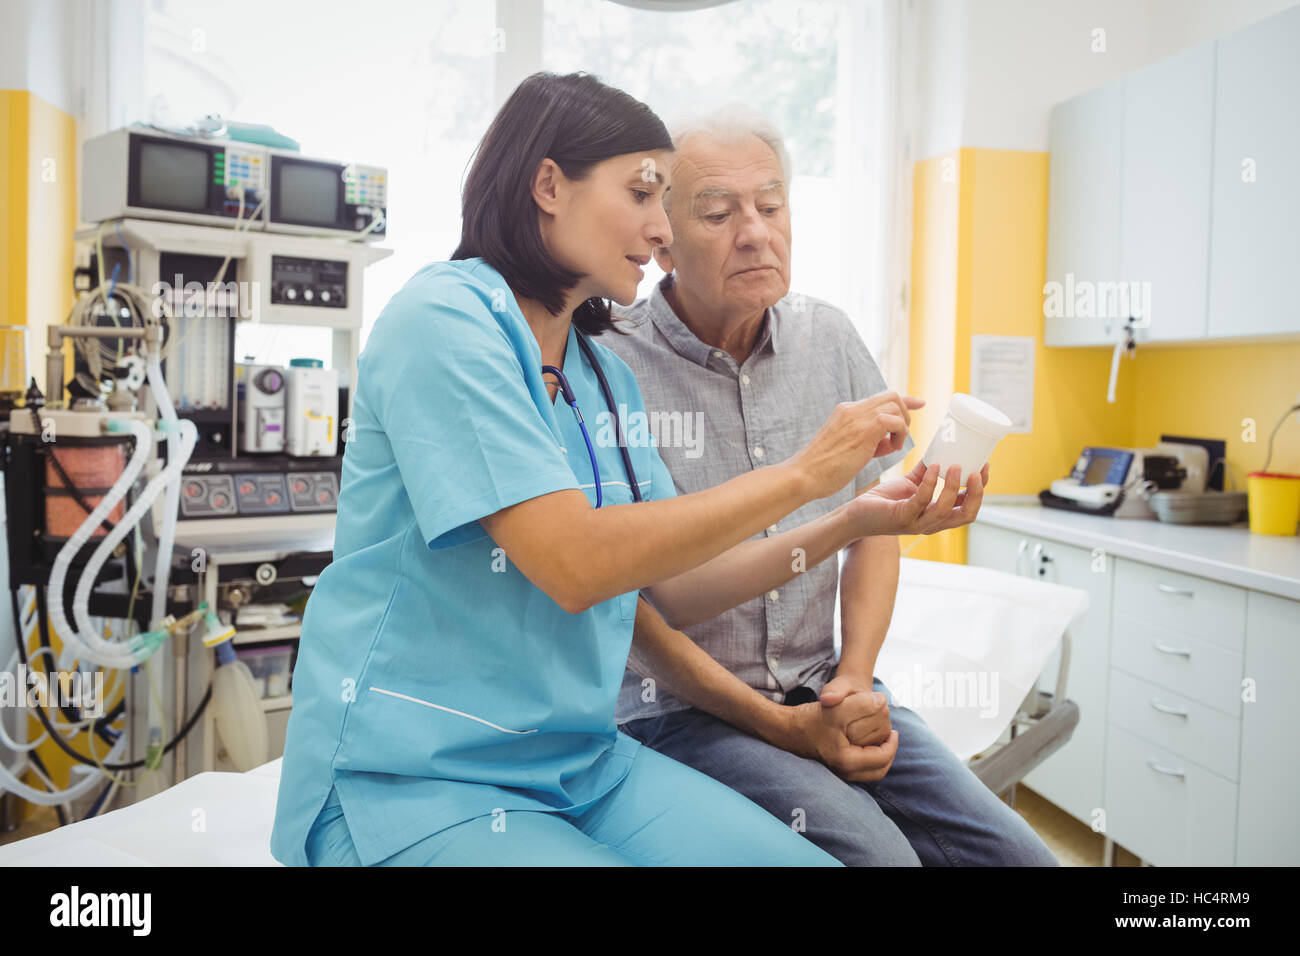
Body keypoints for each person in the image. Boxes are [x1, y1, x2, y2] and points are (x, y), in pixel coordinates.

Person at [269, 73, 939, 867]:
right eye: (644, 193)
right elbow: (575, 563)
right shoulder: (442, 321)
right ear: (549, 185)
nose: (662, 231)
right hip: (414, 777)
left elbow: (678, 589)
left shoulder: (600, 377)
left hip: (580, 765)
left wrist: (855, 517)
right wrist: (805, 474)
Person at [604, 104, 1058, 866]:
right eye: (717, 212)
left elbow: (873, 525)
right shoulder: (612, 366)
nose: (755, 231)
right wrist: (783, 727)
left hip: (821, 686)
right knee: (882, 859)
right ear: (662, 240)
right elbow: (648, 604)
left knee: (1020, 859)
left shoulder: (829, 338)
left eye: (771, 205)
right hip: (679, 710)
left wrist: (850, 680)